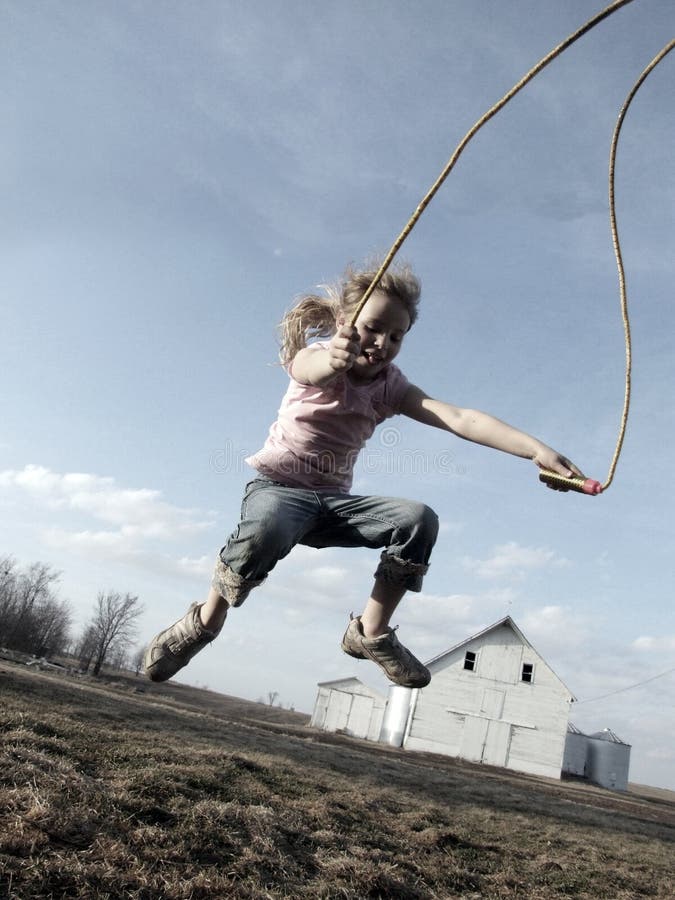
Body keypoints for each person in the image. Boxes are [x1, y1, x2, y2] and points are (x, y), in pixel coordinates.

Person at [144, 261, 583, 689]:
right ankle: (206, 621)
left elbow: (459, 418)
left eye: (396, 336)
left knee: (418, 520)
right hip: (279, 491)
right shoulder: (316, 356)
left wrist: (536, 450)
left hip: (333, 506)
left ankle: (370, 632)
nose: (382, 343)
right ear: (344, 321)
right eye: (373, 328)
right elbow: (310, 369)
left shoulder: (391, 386)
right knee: (268, 525)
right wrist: (334, 361)